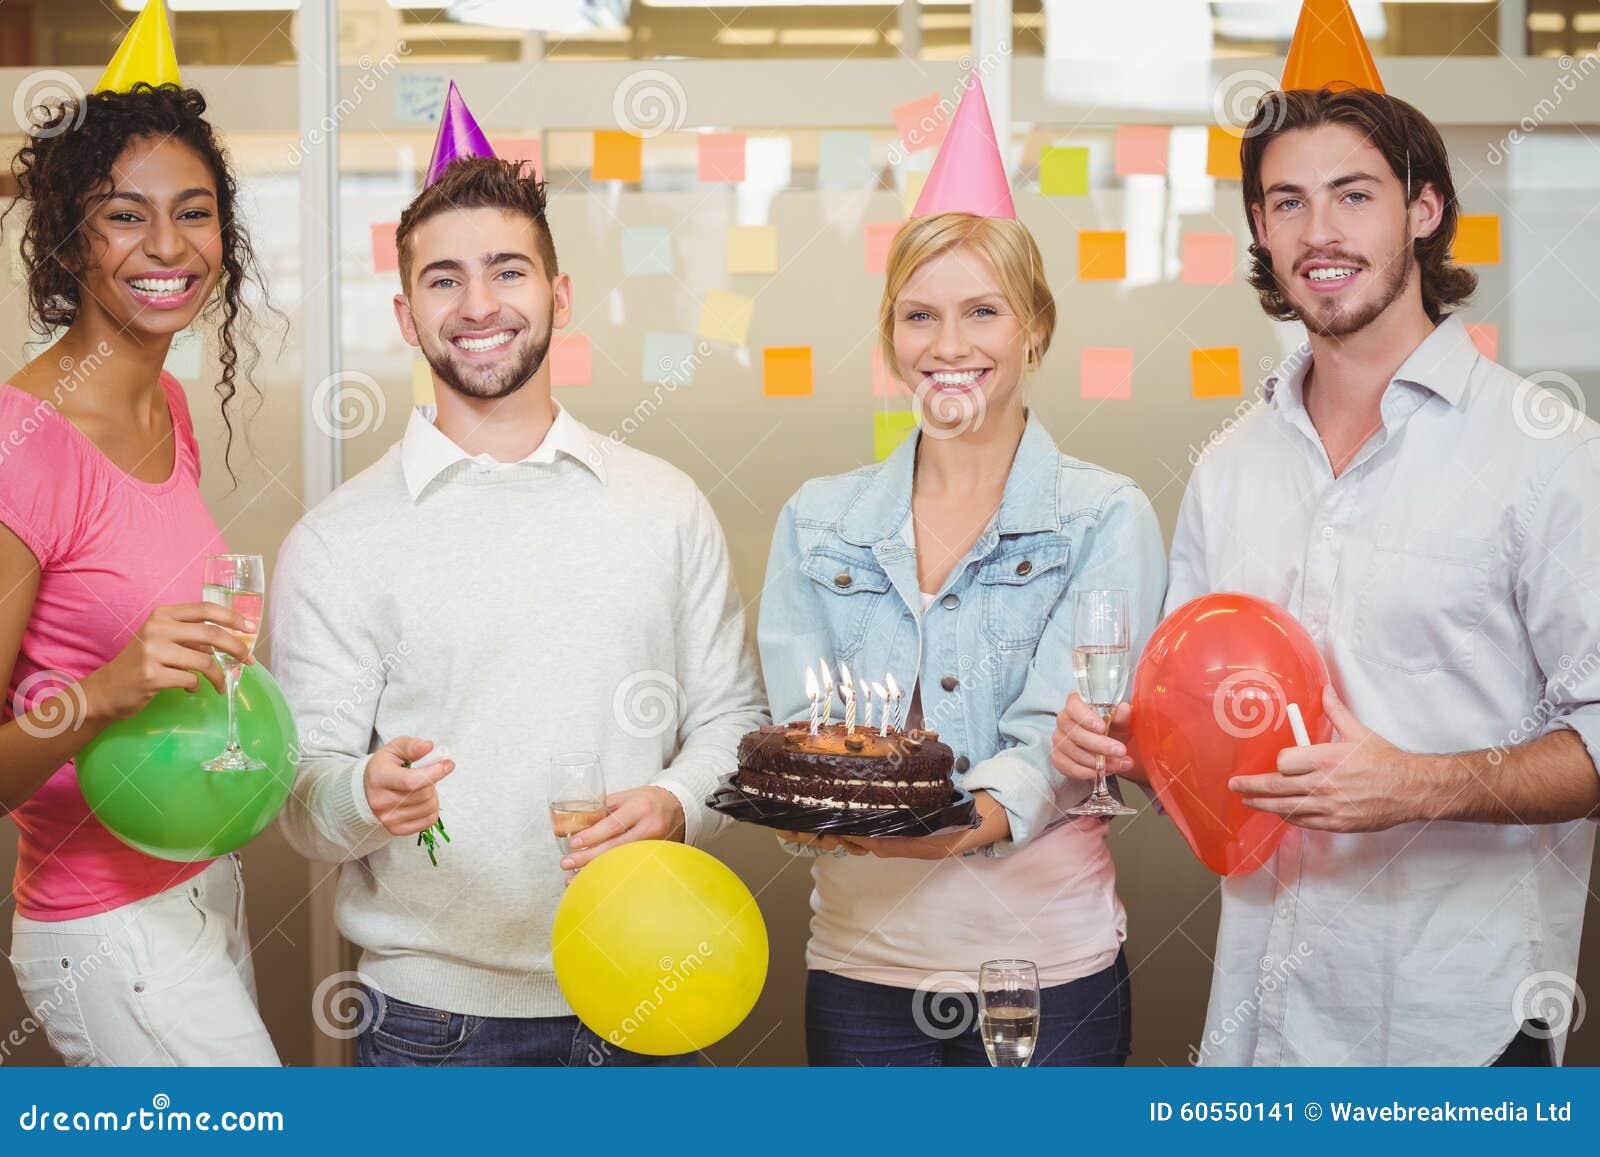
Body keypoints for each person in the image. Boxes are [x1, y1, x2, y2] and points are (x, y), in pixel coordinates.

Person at [1052, 85, 1600, 1066]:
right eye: (1288, 202)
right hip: (1260, 1027)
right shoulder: (1229, 466)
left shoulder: (1549, 454)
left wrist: (1419, 784)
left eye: (1353, 195)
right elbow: (1206, 733)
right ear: (1260, 228)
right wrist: (1140, 747)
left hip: (1460, 1032)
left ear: (1422, 208)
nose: (1319, 232)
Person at [269, 150, 767, 1067]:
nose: (478, 305)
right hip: (433, 1028)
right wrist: (363, 792)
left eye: (507, 271)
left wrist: (675, 802)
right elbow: (300, 796)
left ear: (559, 295)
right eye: (443, 279)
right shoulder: (338, 540)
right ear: (405, 315)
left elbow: (734, 718)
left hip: (650, 989)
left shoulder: (663, 504)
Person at [757, 77, 1166, 1067]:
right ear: (890, 336)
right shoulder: (817, 522)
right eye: (919, 316)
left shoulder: (1103, 516)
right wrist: (823, 800)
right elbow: (809, 737)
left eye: (982, 311)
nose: (948, 347)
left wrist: (941, 822)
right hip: (861, 970)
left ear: (1034, 327)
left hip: (1044, 972)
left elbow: (1054, 744)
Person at [0, 81, 277, 1065]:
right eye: (125, 216)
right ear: (70, 244)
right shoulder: (23, 445)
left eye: (193, 213)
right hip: (107, 929)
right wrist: (109, 689)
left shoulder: (169, 408)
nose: (167, 246)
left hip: (199, 886)